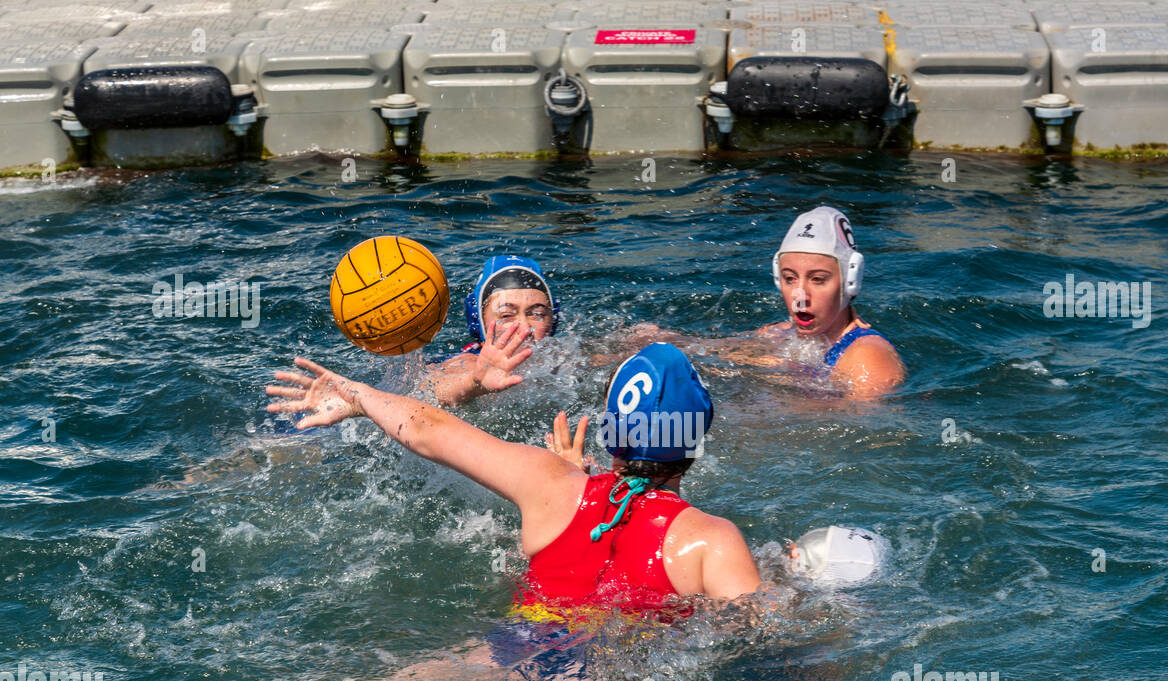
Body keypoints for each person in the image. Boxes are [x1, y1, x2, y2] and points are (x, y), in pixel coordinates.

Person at [266, 342, 760, 618]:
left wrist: (354, 394)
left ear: (612, 435)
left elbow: (428, 430)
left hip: (513, 655)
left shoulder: (548, 483)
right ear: (697, 443)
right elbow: (759, 643)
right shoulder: (713, 543)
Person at [628, 205, 906, 399]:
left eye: (818, 280)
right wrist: (663, 342)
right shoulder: (778, 334)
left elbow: (862, 427)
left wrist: (783, 378)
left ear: (849, 283)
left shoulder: (868, 357)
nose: (800, 295)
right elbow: (713, 352)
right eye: (789, 278)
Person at [420, 255, 559, 406]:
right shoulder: (467, 363)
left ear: (552, 320)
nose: (525, 328)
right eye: (506, 315)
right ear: (479, 322)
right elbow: (422, 392)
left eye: (537, 314)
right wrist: (474, 382)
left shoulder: (562, 358)